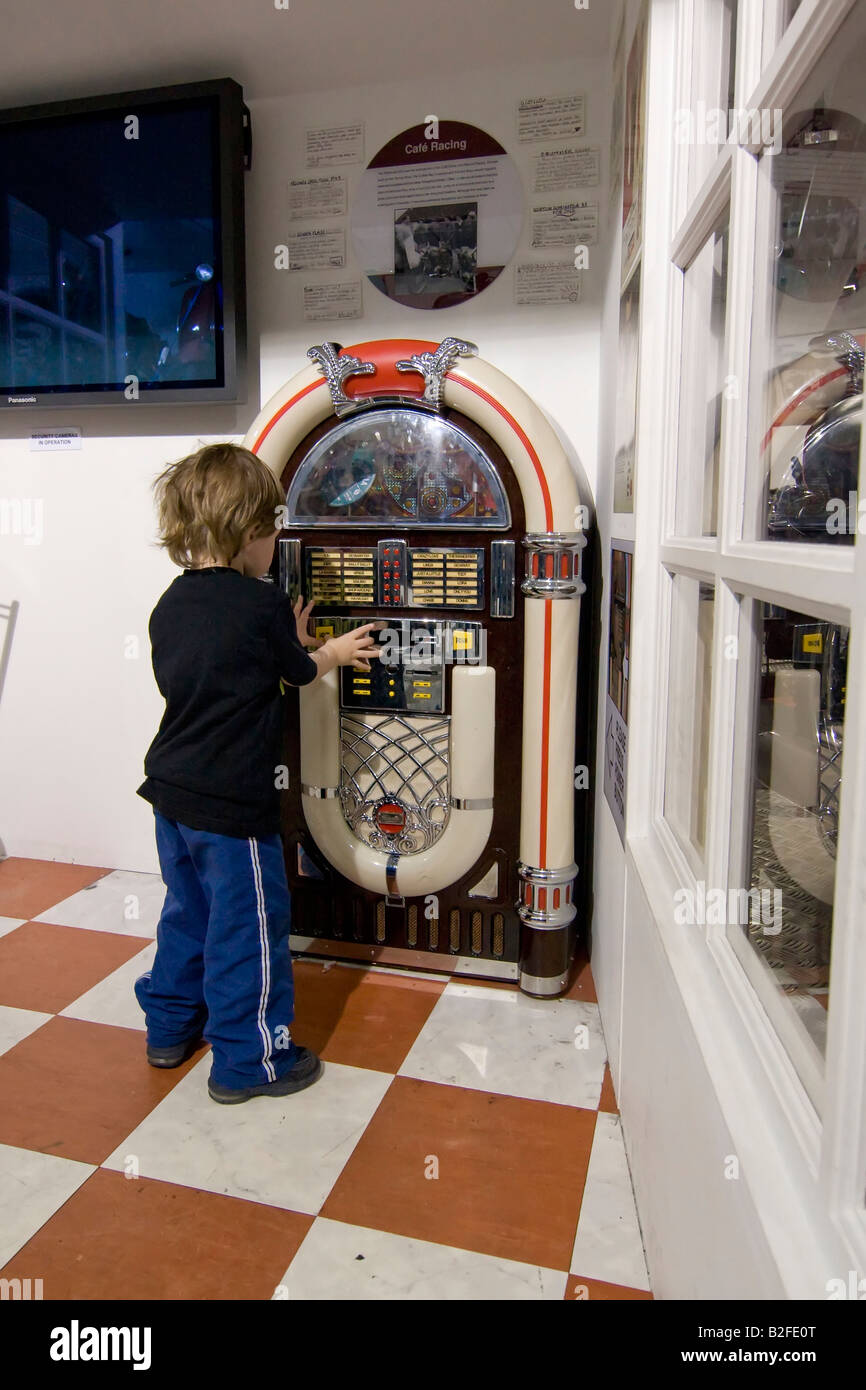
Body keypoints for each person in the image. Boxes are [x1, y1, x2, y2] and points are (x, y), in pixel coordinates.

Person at [134, 442, 380, 1104]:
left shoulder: (170, 605)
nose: (276, 542)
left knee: (189, 913)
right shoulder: (262, 603)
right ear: (249, 533)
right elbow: (298, 675)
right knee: (249, 929)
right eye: (273, 529)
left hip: (170, 794)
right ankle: (251, 1060)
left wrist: (280, 641)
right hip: (232, 810)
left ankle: (168, 1028)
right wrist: (324, 650)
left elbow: (221, 672)